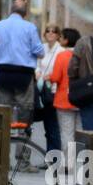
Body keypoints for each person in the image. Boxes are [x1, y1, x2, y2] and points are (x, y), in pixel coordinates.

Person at [0, 0, 45, 124]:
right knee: (25, 108)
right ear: (25, 13)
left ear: (10, 10)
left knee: (2, 108)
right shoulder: (30, 28)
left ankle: (2, 137)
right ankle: (22, 136)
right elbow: (40, 53)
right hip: (24, 75)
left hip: (3, 73)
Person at [46, 28, 79, 179]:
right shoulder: (83, 56)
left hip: (64, 99)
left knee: (67, 133)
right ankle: (80, 162)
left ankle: (68, 164)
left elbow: (56, 77)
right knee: (79, 132)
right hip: (82, 99)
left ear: (65, 40)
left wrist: (48, 78)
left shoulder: (62, 55)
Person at [35, 24, 63, 152]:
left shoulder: (61, 51)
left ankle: (54, 158)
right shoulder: (41, 48)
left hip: (53, 91)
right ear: (44, 34)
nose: (50, 33)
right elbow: (37, 64)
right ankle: (49, 156)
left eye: (54, 31)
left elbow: (61, 71)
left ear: (58, 35)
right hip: (41, 90)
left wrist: (50, 76)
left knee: (53, 127)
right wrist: (37, 72)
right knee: (47, 127)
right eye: (48, 31)